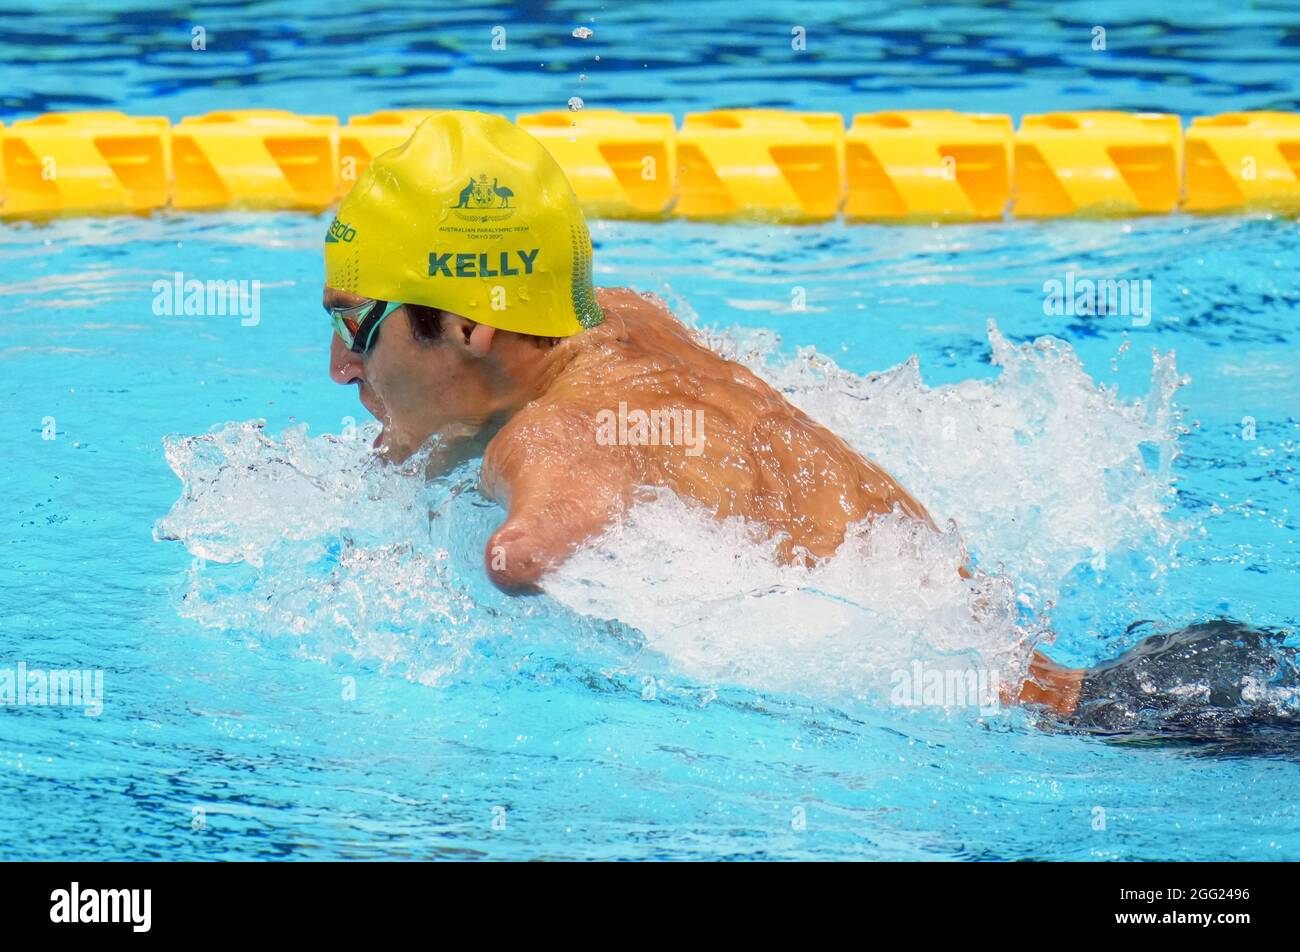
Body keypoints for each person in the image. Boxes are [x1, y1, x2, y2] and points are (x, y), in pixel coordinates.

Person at [322, 110, 1293, 731]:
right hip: (1130, 677)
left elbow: (530, 551)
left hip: (1120, 735)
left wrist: (457, 552)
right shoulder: (620, 319)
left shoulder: (552, 435)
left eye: (354, 326)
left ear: (466, 324)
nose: (339, 368)